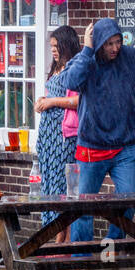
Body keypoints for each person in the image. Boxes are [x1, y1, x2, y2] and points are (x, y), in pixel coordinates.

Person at [57, 18, 135, 244]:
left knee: (129, 197)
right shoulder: (85, 60)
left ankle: (111, 244)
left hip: (125, 145)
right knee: (84, 206)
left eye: (118, 41)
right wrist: (88, 49)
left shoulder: (132, 57)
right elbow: (70, 82)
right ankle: (81, 254)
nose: (115, 48)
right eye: (109, 43)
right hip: (92, 144)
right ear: (99, 43)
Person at [34, 25, 81, 243]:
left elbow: (79, 100)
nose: (53, 50)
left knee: (65, 190)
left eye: (56, 46)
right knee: (51, 187)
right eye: (51, 46)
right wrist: (42, 102)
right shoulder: (56, 68)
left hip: (65, 138)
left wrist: (51, 102)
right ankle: (54, 240)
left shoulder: (75, 68)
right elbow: (52, 93)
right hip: (49, 136)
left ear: (66, 45)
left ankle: (65, 243)